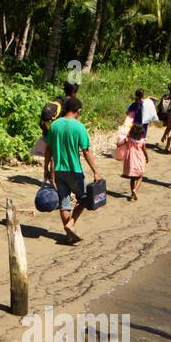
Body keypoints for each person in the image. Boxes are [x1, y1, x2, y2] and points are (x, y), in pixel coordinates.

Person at [45, 97, 100, 245]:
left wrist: (46, 168)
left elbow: (48, 149)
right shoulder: (79, 127)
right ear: (78, 110)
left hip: (58, 170)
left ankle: (68, 236)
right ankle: (71, 223)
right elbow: (86, 151)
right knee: (84, 198)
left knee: (64, 203)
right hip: (74, 171)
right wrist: (95, 170)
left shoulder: (55, 125)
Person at [41, 81, 81, 182]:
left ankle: (49, 176)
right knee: (56, 157)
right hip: (61, 133)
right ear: (73, 92)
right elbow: (73, 120)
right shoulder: (72, 103)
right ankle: (54, 181)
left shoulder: (58, 100)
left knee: (51, 154)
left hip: (50, 130)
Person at [120, 123, 149, 201]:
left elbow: (119, 144)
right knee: (140, 175)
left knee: (132, 178)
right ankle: (135, 189)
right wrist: (147, 158)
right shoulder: (142, 141)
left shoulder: (128, 139)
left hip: (131, 160)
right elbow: (145, 151)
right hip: (139, 159)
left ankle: (132, 195)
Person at [158, 81, 171, 149]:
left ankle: (165, 140)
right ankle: (167, 146)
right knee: (170, 130)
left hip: (165, 115)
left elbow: (159, 106)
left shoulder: (165, 96)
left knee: (168, 129)